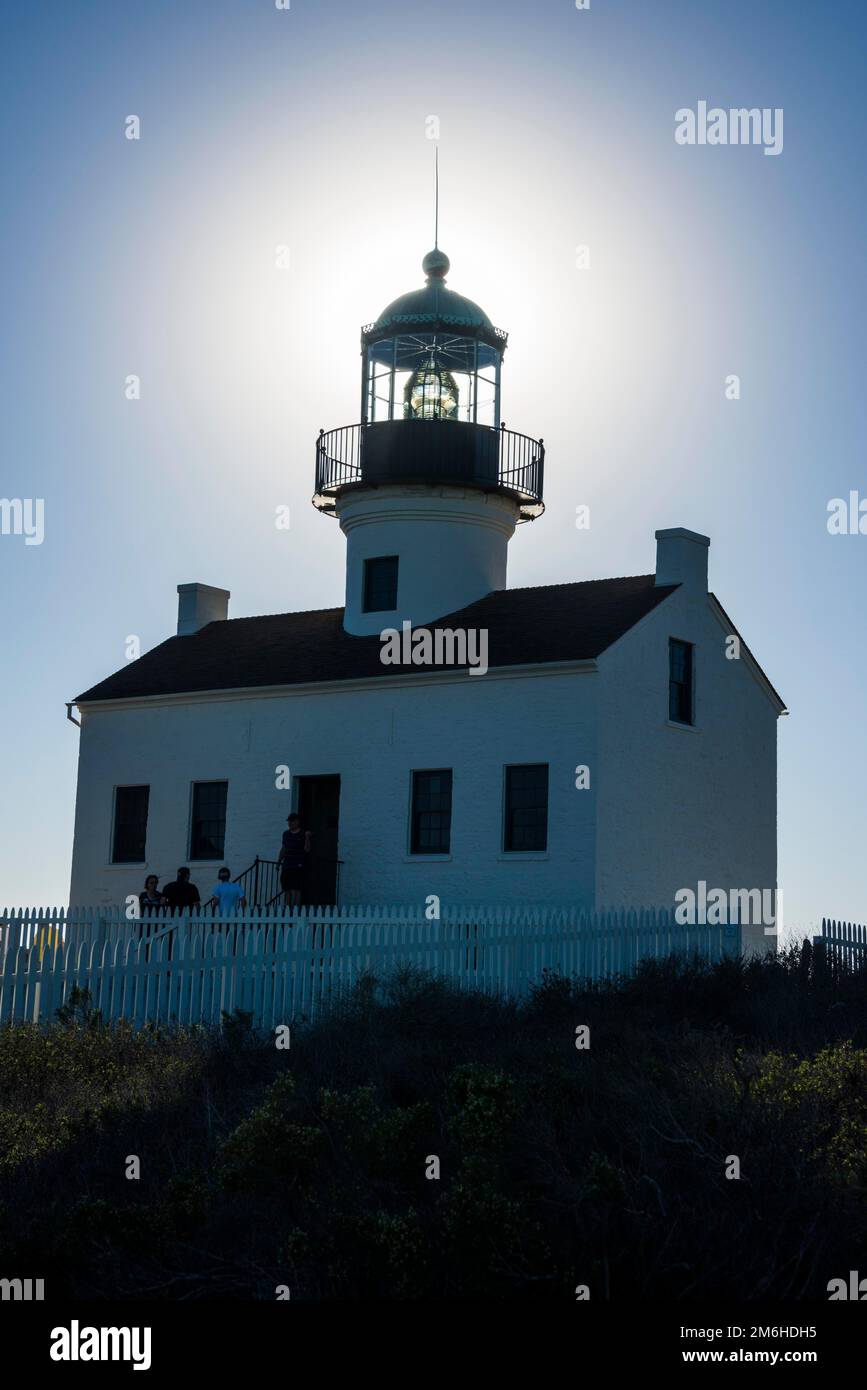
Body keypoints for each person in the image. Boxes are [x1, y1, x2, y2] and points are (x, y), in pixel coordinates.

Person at [278, 812, 312, 907]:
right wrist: (279, 861)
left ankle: (295, 909)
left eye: (292, 821)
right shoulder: (286, 834)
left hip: (298, 865)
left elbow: (307, 849)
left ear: (297, 822)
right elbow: (284, 848)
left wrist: (307, 837)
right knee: (287, 888)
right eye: (289, 821)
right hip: (287, 865)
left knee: (296, 889)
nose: (290, 823)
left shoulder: (303, 833)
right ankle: (288, 909)